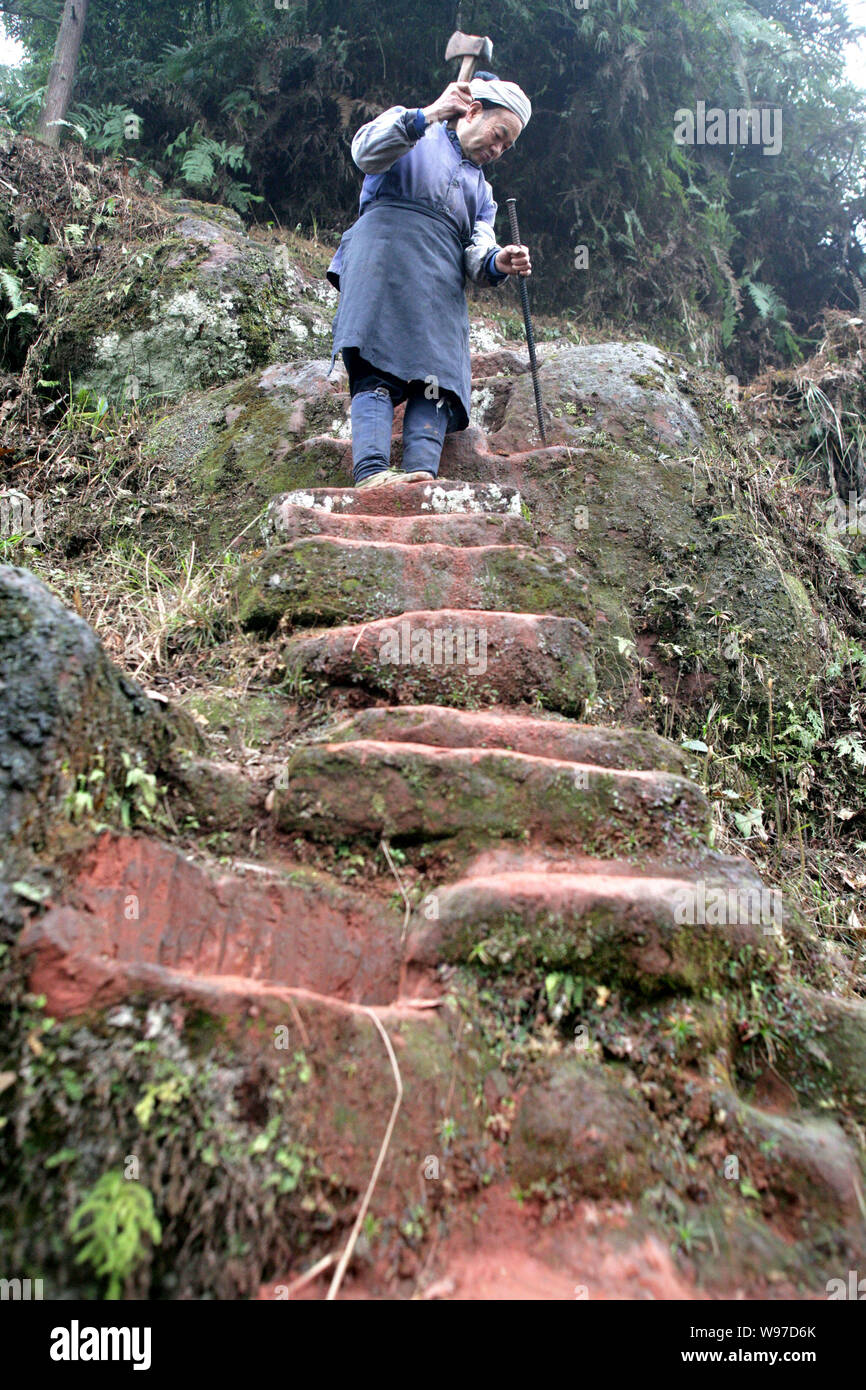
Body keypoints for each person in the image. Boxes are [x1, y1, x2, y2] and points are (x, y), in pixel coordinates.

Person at [326, 73, 533, 489]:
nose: (497, 149)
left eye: (506, 146)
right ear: (473, 111)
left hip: (440, 280)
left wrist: (499, 261)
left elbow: (477, 254)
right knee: (375, 366)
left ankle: (422, 473)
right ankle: (370, 472)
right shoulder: (414, 128)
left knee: (437, 378)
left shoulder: (483, 193)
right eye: (498, 135)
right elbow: (364, 152)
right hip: (383, 256)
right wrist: (429, 113)